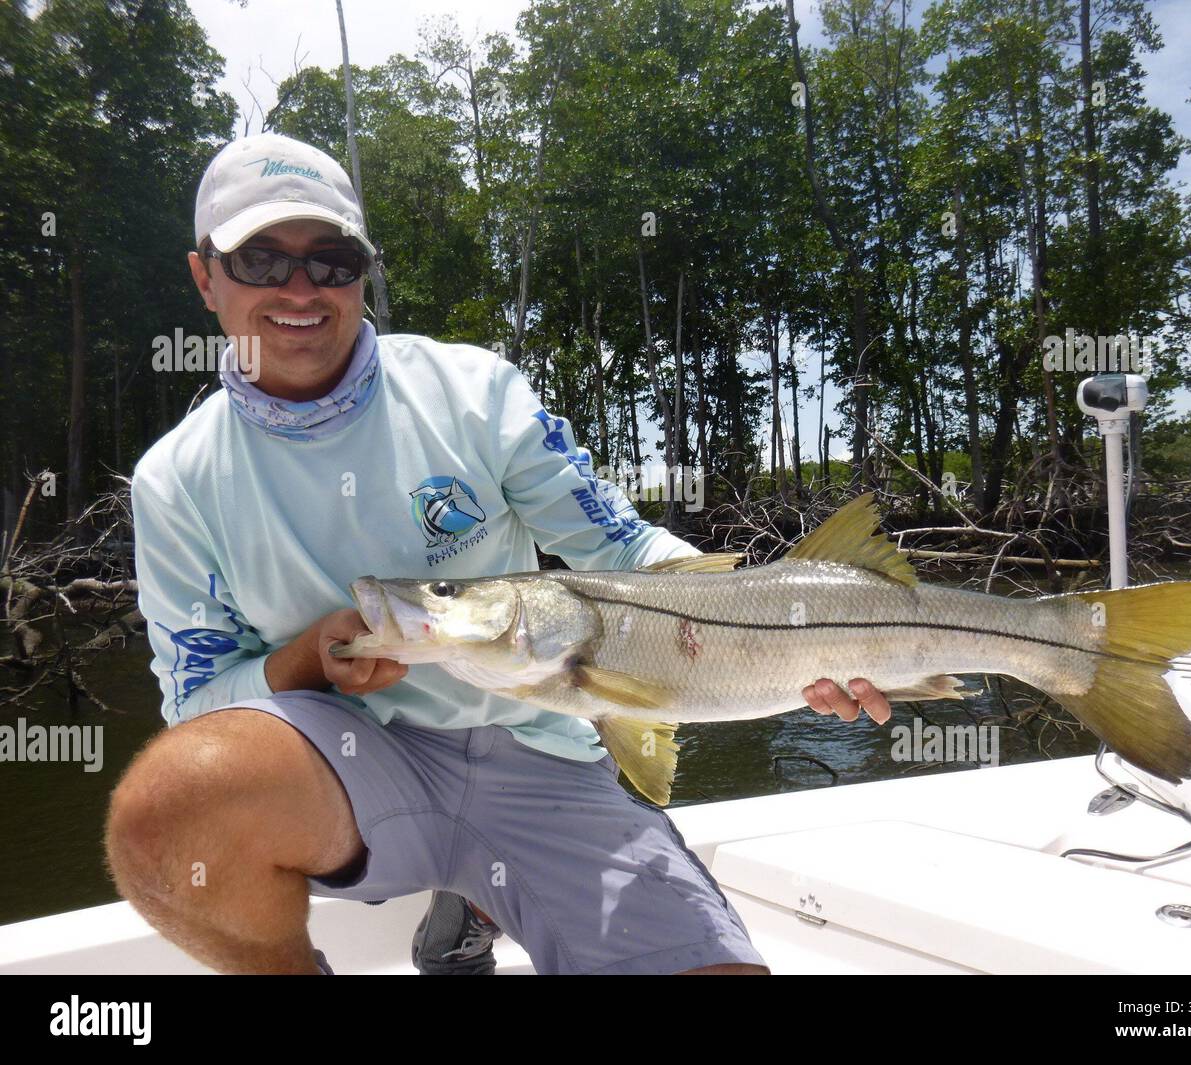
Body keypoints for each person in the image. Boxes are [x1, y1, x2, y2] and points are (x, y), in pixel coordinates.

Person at [105, 132, 892, 976]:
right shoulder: (174, 484)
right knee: (166, 812)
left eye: (331, 259)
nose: (301, 288)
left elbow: (622, 547)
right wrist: (304, 661)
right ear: (205, 278)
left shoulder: (479, 393)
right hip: (348, 767)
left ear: (361, 271)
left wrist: (795, 628)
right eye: (261, 259)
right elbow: (195, 702)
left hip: (541, 748)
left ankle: (479, 895)